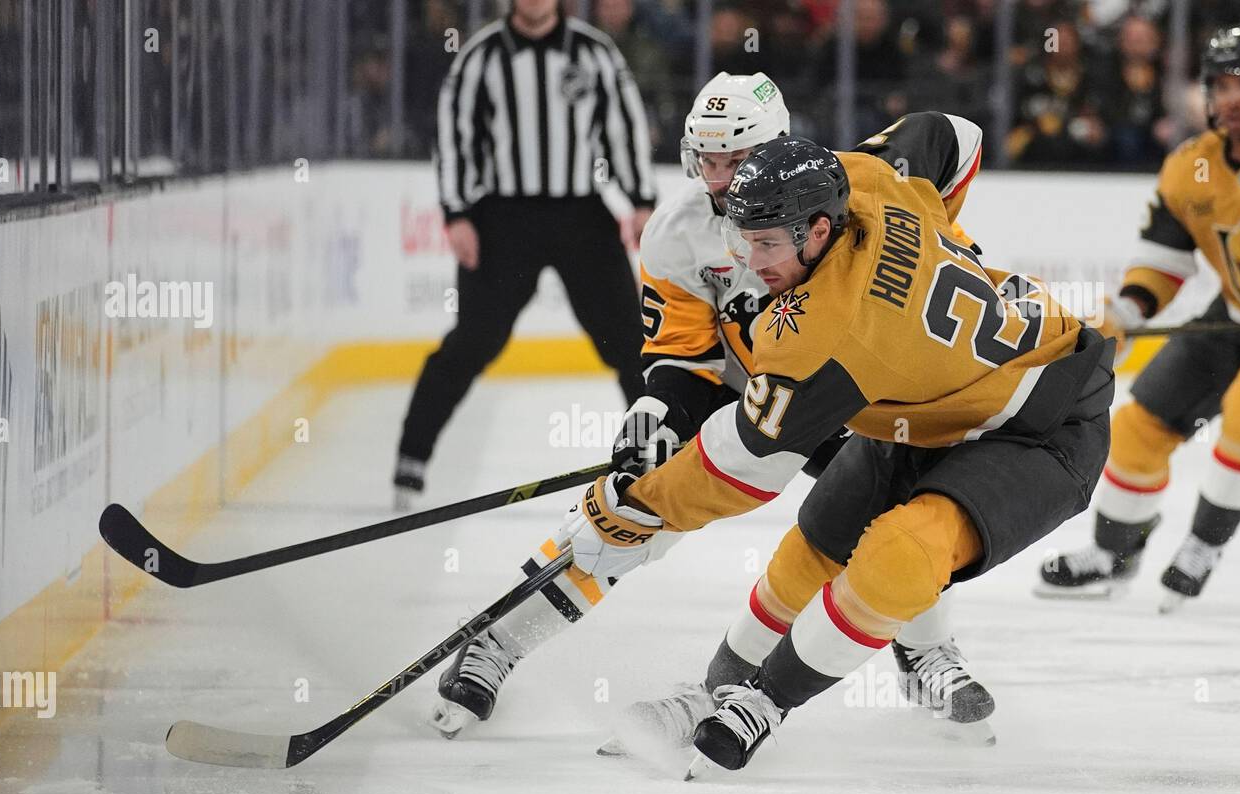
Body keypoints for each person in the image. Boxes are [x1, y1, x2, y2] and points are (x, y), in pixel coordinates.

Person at [427, 77, 999, 750]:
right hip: (752, 395)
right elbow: (683, 356)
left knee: (900, 502)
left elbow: (955, 135)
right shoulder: (679, 233)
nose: (720, 178)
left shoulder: (846, 193)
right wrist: (657, 414)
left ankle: (923, 650)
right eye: (707, 159)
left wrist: (932, 212)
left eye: (735, 159)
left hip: (847, 394)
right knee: (635, 509)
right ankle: (496, 645)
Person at [555, 124, 1113, 776]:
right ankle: (717, 691)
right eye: (741, 237)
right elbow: (950, 134)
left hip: (1042, 424)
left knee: (897, 557)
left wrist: (629, 512)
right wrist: (949, 243)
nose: (747, 261)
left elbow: (737, 465)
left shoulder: (828, 334)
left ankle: (763, 704)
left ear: (817, 231)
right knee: (814, 546)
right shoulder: (864, 178)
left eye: (764, 244)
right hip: (932, 405)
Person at [393, 0, 654, 509]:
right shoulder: (480, 57)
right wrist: (457, 213)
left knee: (630, 340)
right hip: (502, 220)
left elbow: (623, 127)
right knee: (474, 340)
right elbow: (454, 138)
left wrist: (641, 200)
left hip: (581, 215)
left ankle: (654, 453)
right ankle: (412, 455)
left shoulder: (594, 52)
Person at [1039, 21, 1240, 610]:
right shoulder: (1193, 164)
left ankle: (1204, 545)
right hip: (1233, 317)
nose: (1233, 97)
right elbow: (1165, 256)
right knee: (1138, 428)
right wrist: (1129, 308)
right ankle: (1114, 552)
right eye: (1223, 83)